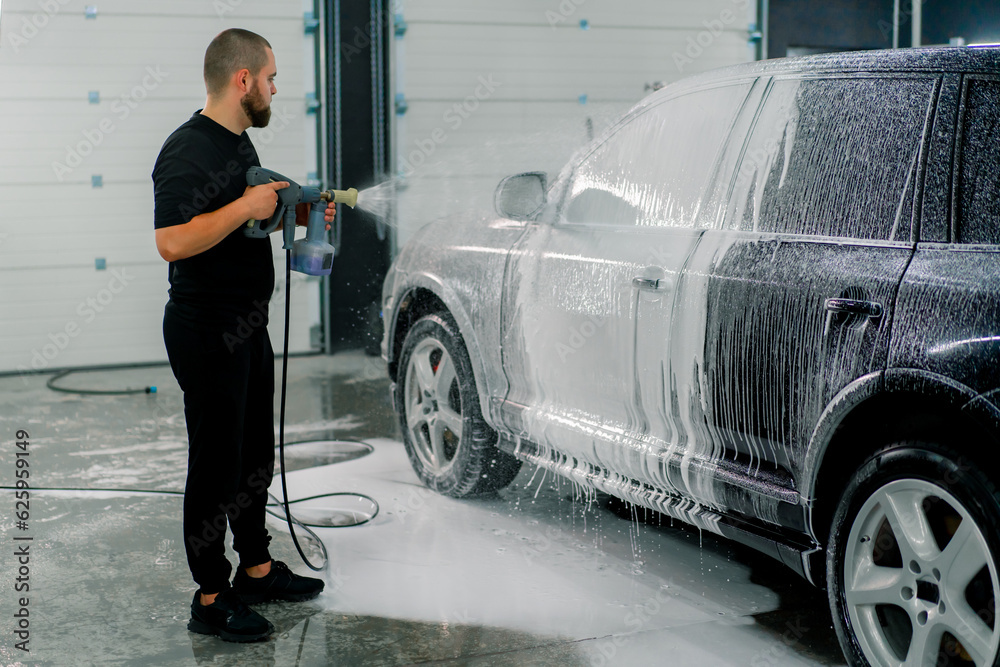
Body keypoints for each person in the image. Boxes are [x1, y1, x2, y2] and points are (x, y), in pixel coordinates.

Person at [152, 28, 333, 643]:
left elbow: (248, 210)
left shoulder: (239, 142)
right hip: (206, 330)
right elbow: (172, 241)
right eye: (272, 77)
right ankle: (210, 595)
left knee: (254, 452)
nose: (275, 88)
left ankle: (255, 567)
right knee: (216, 462)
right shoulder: (187, 150)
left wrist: (295, 209)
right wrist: (246, 208)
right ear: (242, 80)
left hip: (247, 325)